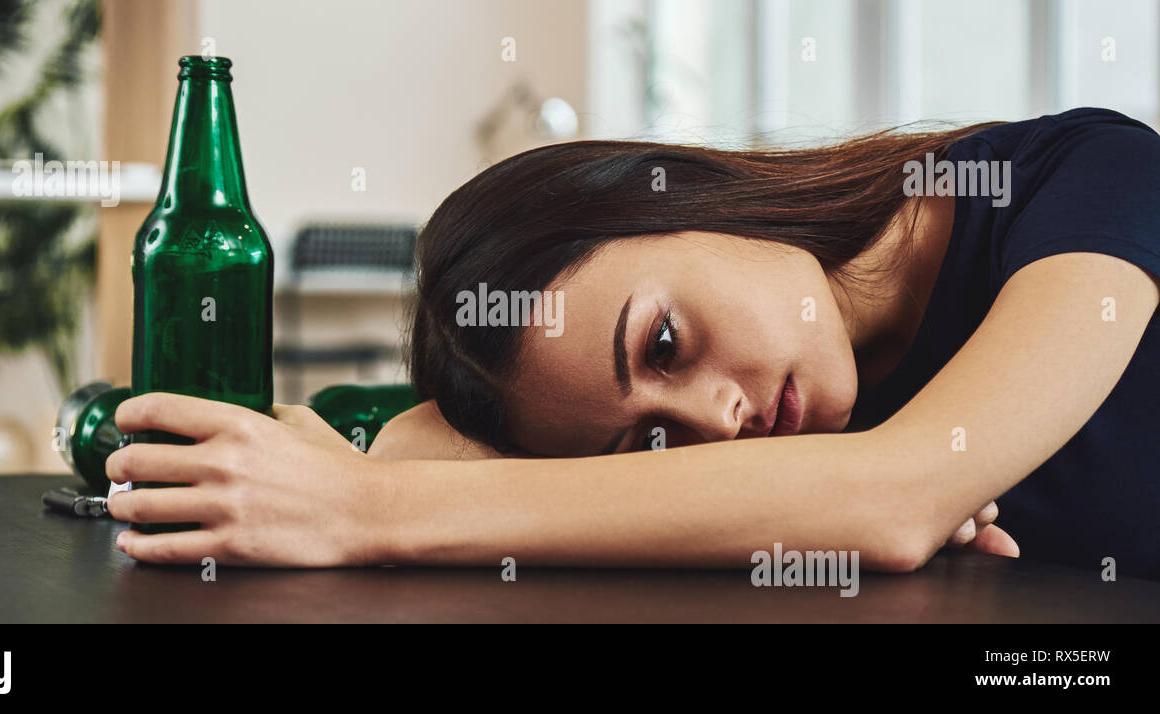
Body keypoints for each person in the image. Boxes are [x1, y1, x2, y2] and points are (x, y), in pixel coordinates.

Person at [104, 107, 1160, 580]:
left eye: (660, 343)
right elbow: (421, 442)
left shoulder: (1082, 180)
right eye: (649, 442)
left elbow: (892, 499)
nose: (713, 425)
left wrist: (364, 512)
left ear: (692, 197)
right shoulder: (821, 411)